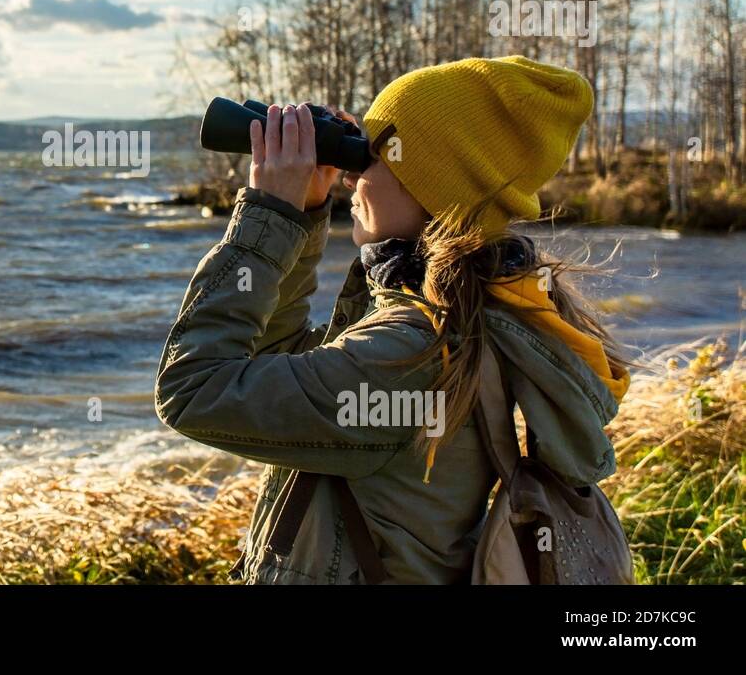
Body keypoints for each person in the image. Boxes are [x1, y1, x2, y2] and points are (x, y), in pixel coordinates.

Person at [155, 56, 631, 584]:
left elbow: (193, 389)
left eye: (377, 152)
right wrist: (308, 216)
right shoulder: (462, 310)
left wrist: (269, 215)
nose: (354, 172)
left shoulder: (409, 353)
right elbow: (277, 363)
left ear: (432, 185)